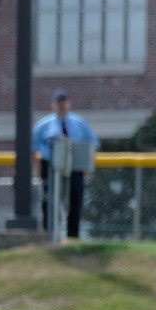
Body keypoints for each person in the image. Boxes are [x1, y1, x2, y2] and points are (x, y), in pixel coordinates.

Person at [33, 90, 99, 239]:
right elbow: (34, 149)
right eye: (59, 103)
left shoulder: (79, 122)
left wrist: (87, 166)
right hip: (51, 166)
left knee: (75, 199)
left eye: (64, 103)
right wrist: (38, 169)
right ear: (53, 105)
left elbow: (92, 144)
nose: (62, 106)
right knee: (49, 199)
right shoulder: (43, 125)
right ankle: (48, 233)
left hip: (75, 165)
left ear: (69, 104)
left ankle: (72, 235)